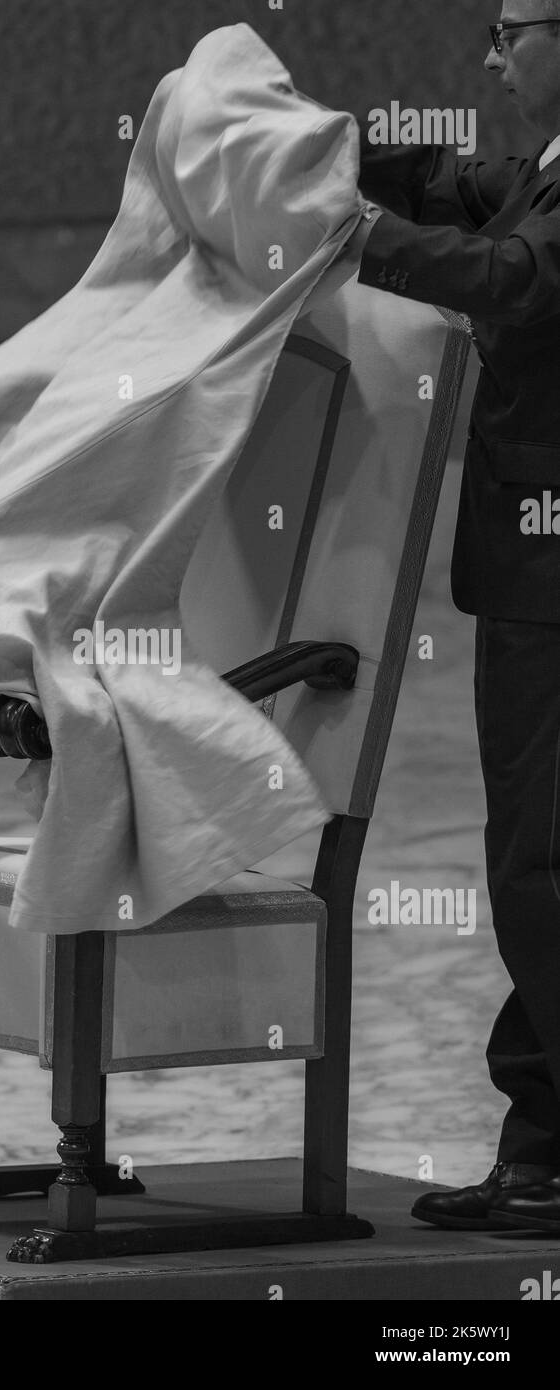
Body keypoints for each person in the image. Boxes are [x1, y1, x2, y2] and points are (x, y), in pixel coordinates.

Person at [355, 2, 560, 1232]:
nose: (487, 58)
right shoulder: (538, 170)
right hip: (527, 583)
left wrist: (356, 239)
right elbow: (448, 183)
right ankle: (536, 1155)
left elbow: (512, 280)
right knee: (533, 869)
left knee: (540, 871)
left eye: (508, 30)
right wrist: (300, 150)